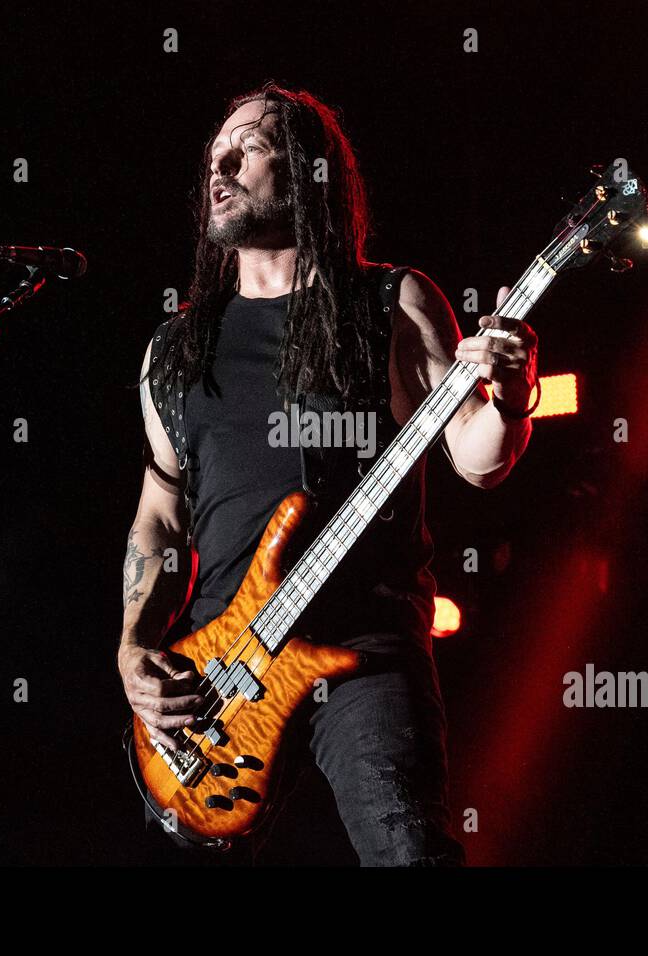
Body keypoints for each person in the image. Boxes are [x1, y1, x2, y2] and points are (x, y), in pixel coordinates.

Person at [118, 82, 537, 865]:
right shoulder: (174, 350)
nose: (221, 166)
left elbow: (480, 461)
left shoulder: (389, 302)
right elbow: (160, 514)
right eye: (215, 153)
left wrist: (511, 393)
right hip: (217, 680)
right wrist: (132, 644)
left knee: (408, 852)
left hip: (364, 648)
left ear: (309, 169)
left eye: (250, 147)